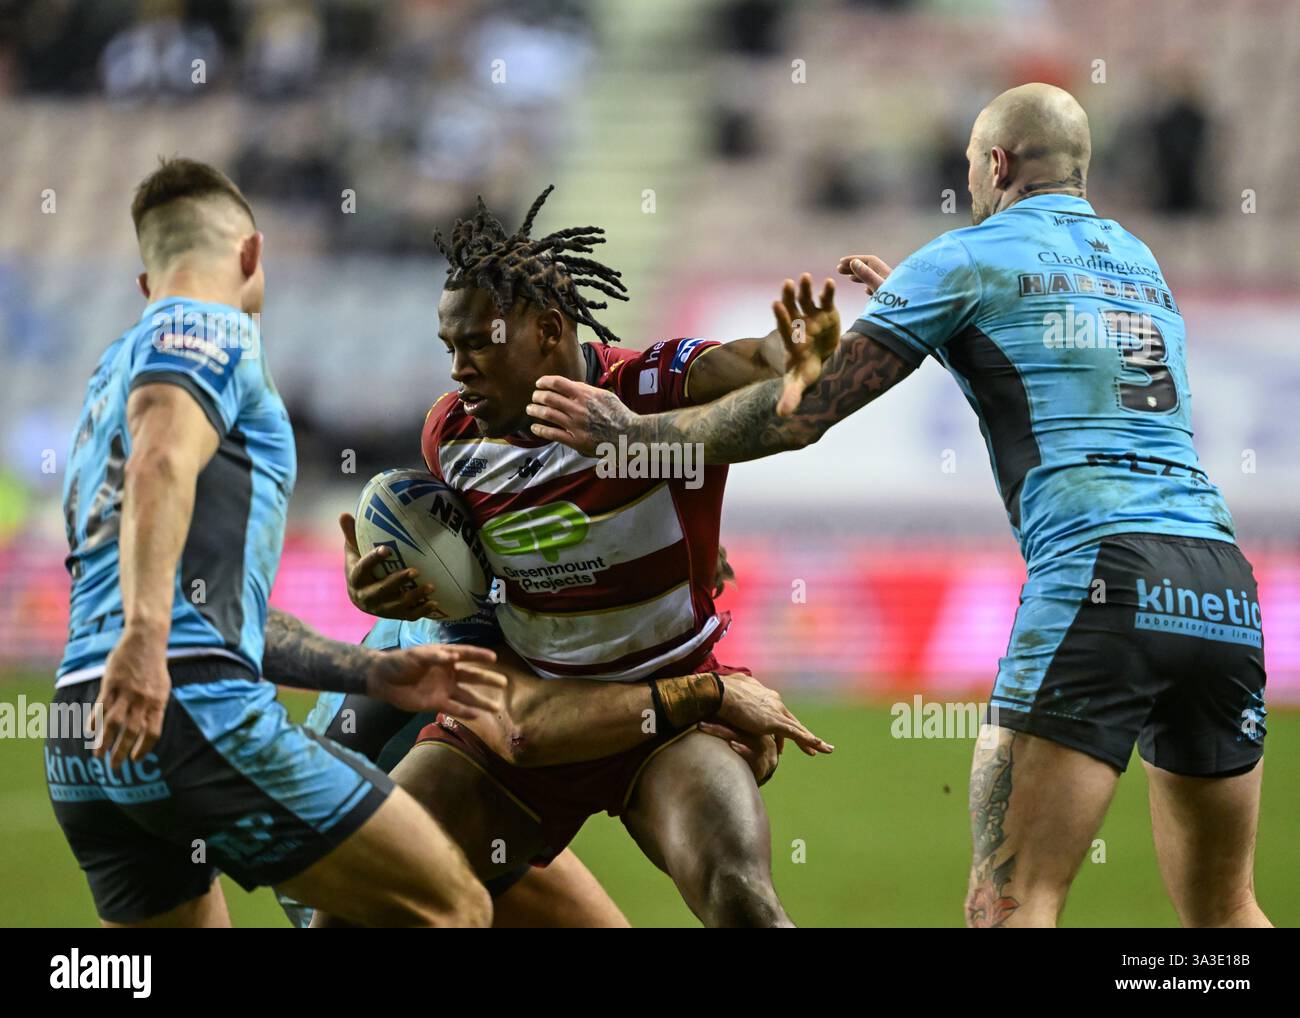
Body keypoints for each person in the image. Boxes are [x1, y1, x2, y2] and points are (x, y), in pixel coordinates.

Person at [528, 84, 1271, 929]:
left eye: (970, 167)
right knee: (1224, 917)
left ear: (995, 164)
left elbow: (798, 416)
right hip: (1220, 585)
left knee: (1012, 904)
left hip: (1099, 580)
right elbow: (1065, 375)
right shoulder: (1139, 262)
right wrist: (938, 332)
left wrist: (635, 435)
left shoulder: (966, 255)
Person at [321, 187, 833, 928]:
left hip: (670, 721)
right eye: (449, 348)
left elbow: (752, 363)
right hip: (535, 719)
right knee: (359, 897)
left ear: (549, 330)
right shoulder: (453, 437)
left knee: (741, 900)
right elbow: (453, 564)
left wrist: (798, 354)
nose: (459, 369)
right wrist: (381, 590)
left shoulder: (647, 388)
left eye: (477, 344)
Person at [49, 158, 509, 928]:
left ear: (143, 284)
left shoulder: (107, 382)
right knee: (452, 908)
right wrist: (144, 640)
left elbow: (216, 611)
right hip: (186, 711)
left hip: (82, 736)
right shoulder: (209, 326)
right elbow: (163, 457)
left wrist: (374, 671)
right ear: (253, 256)